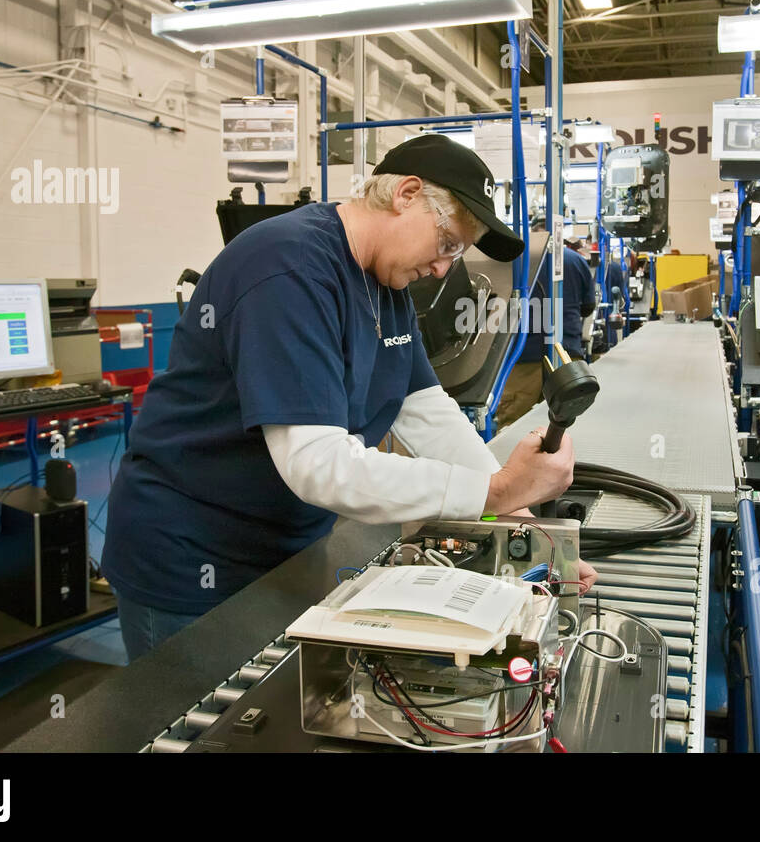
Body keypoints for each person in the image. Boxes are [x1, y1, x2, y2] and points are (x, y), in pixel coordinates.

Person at [103, 134, 597, 660]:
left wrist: (522, 520)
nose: (443, 268)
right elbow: (317, 463)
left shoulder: (386, 284)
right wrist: (493, 492)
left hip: (285, 546)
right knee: (200, 733)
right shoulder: (289, 267)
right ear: (405, 194)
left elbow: (426, 411)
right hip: (192, 557)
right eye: (449, 243)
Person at [494, 238, 596, 426]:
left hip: (523, 357)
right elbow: (588, 307)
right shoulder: (575, 260)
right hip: (566, 355)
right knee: (566, 421)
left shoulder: (515, 260)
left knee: (512, 423)